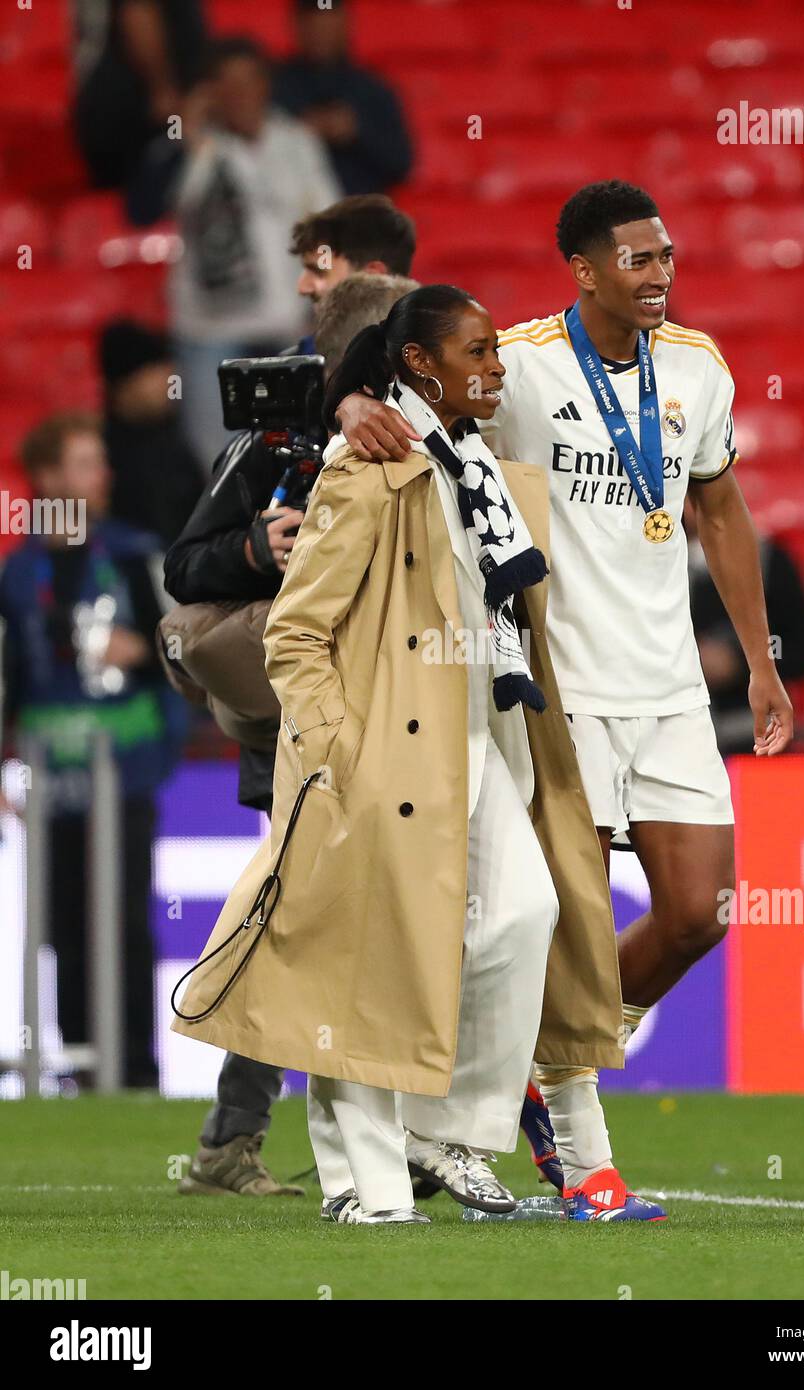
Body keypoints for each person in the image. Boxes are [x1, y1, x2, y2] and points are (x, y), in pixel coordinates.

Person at [336, 181, 794, 1217]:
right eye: (636, 259)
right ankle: (583, 1154)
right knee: (570, 928)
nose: (659, 274)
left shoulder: (698, 367)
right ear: (583, 271)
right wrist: (347, 403)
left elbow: (717, 508)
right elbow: (418, 391)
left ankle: (550, 1055)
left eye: (665, 256)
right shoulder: (526, 365)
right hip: (556, 687)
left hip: (669, 682)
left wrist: (758, 659)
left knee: (696, 910)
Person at [171, 286, 634, 1224]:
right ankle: (362, 1190)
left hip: (479, 740)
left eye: (497, 350)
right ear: (421, 364)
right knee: (362, 970)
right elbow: (296, 632)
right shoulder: (364, 467)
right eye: (477, 351)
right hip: (383, 751)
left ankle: (447, 1134)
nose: (495, 366)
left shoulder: (477, 465)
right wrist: (337, 746)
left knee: (522, 916)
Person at [166, 202, 417, 1197]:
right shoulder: (286, 412)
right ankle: (347, 1146)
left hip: (410, 706)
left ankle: (253, 1139)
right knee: (307, 914)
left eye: (315, 272)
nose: (302, 289)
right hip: (309, 719)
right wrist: (252, 549)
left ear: (365, 276)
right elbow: (189, 563)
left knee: (315, 916)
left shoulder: (451, 398)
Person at [0, 413, 187, 1088]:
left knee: (124, 922)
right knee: (63, 930)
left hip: (123, 769)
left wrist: (145, 654)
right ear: (47, 478)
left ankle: (134, 1075)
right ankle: (78, 1069)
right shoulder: (18, 572)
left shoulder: (135, 554)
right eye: (82, 464)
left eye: (97, 463)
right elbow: (10, 678)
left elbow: (186, 645)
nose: (98, 476)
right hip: (51, 776)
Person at [128, 36, 342, 463]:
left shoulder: (295, 142)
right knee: (217, 458)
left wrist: (325, 297)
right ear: (210, 92)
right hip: (209, 328)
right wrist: (183, 133)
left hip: (285, 320)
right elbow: (141, 208)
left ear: (266, 85)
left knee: (300, 450)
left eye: (248, 81)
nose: (239, 93)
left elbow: (329, 228)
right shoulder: (193, 145)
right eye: (226, 84)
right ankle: (230, 531)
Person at [685, 500, 804, 753]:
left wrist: (742, 661)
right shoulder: (648, 566)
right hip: (675, 733)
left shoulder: (768, 562)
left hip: (750, 736)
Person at [274, 0, 414, 196]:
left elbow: (402, 164)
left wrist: (356, 131)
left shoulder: (374, 90)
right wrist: (297, 133)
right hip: (289, 209)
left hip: (357, 211)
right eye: (314, 24)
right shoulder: (273, 87)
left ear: (345, 24)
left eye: (329, 22)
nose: (321, 33)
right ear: (297, 25)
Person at [74, 0, 208, 190]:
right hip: (140, 107)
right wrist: (162, 89)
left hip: (163, 103)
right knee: (164, 180)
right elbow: (137, 13)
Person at [99, 318, 205, 548]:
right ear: (125, 385)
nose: (169, 381)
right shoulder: (103, 454)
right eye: (154, 373)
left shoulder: (177, 441)